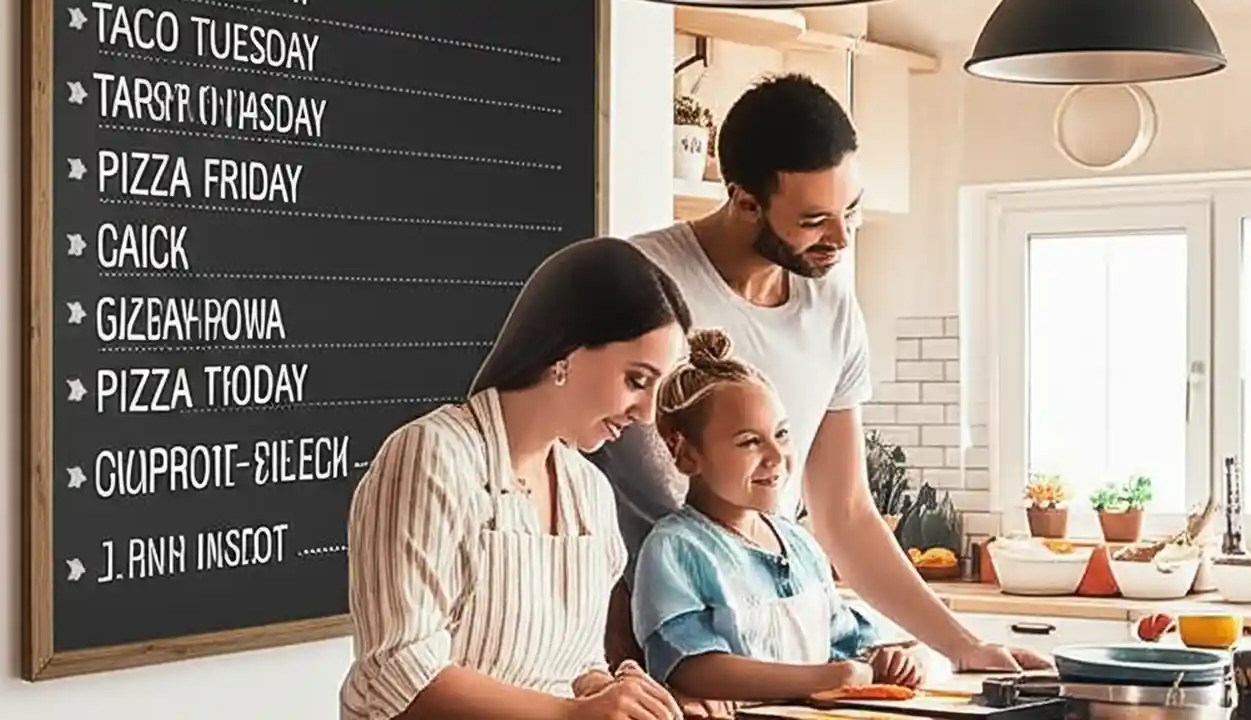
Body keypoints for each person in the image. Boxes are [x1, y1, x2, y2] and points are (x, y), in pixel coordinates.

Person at [587, 73, 1051, 699]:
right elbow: (553, 467)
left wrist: (962, 644)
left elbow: (846, 513)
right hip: (641, 660)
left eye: (851, 210)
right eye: (814, 220)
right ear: (744, 200)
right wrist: (610, 669)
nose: (841, 237)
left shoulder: (832, 308)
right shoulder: (639, 282)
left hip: (770, 664)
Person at [339, 237, 692, 720]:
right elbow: (400, 673)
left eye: (657, 386)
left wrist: (614, 694)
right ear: (565, 350)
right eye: (636, 380)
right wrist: (572, 715)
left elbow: (574, 665)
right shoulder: (431, 456)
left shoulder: (588, 492)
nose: (647, 413)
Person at [631, 328, 927, 704]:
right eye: (749, 441)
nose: (776, 456)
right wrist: (823, 677)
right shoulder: (675, 548)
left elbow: (844, 642)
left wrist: (885, 659)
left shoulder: (800, 543)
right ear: (687, 454)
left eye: (782, 434)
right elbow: (691, 666)